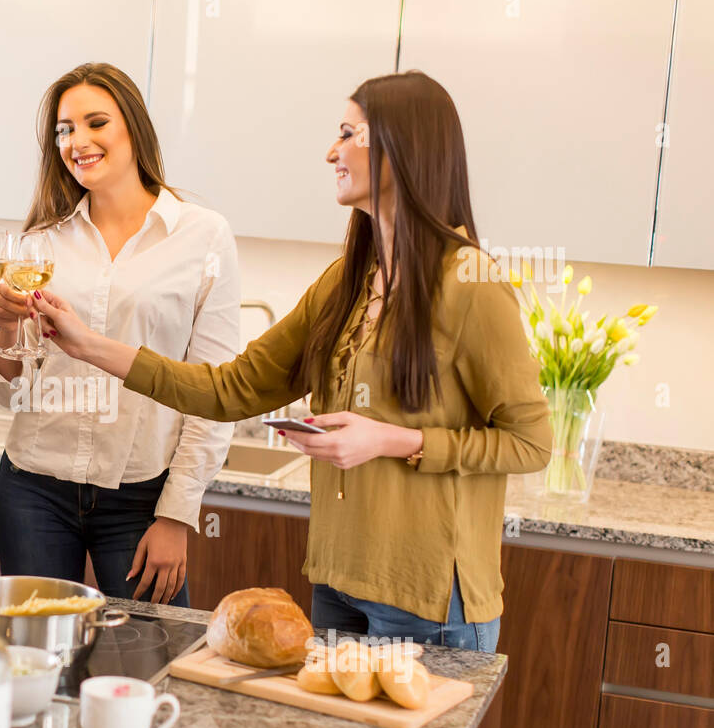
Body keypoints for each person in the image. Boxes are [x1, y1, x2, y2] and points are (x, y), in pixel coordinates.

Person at [30, 71, 551, 650]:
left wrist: (392, 439)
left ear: (404, 147)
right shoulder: (345, 283)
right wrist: (90, 345)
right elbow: (231, 389)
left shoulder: (471, 285)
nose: (333, 151)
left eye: (350, 133)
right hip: (337, 583)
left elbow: (530, 442)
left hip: (427, 594)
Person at [0, 62, 240, 607]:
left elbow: (214, 391)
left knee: (150, 655)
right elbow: (12, 393)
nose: (78, 141)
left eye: (96, 122)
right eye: (65, 129)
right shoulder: (42, 240)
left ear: (134, 128)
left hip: (142, 497)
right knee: (37, 659)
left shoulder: (203, 236)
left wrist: (177, 514)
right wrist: (6, 331)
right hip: (32, 487)